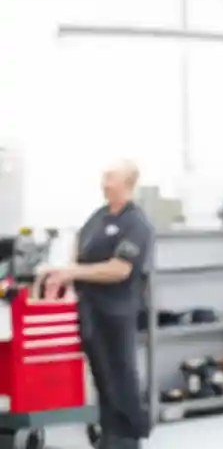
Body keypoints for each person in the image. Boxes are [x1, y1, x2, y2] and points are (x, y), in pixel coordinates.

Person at [38, 159, 154, 449]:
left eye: (110, 178)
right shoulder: (98, 218)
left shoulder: (136, 223)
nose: (104, 183)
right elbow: (80, 255)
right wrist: (60, 274)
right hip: (90, 311)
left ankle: (127, 437)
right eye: (104, 177)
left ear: (127, 182)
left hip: (117, 312)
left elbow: (120, 269)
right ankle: (110, 433)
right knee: (102, 375)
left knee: (120, 373)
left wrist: (73, 272)